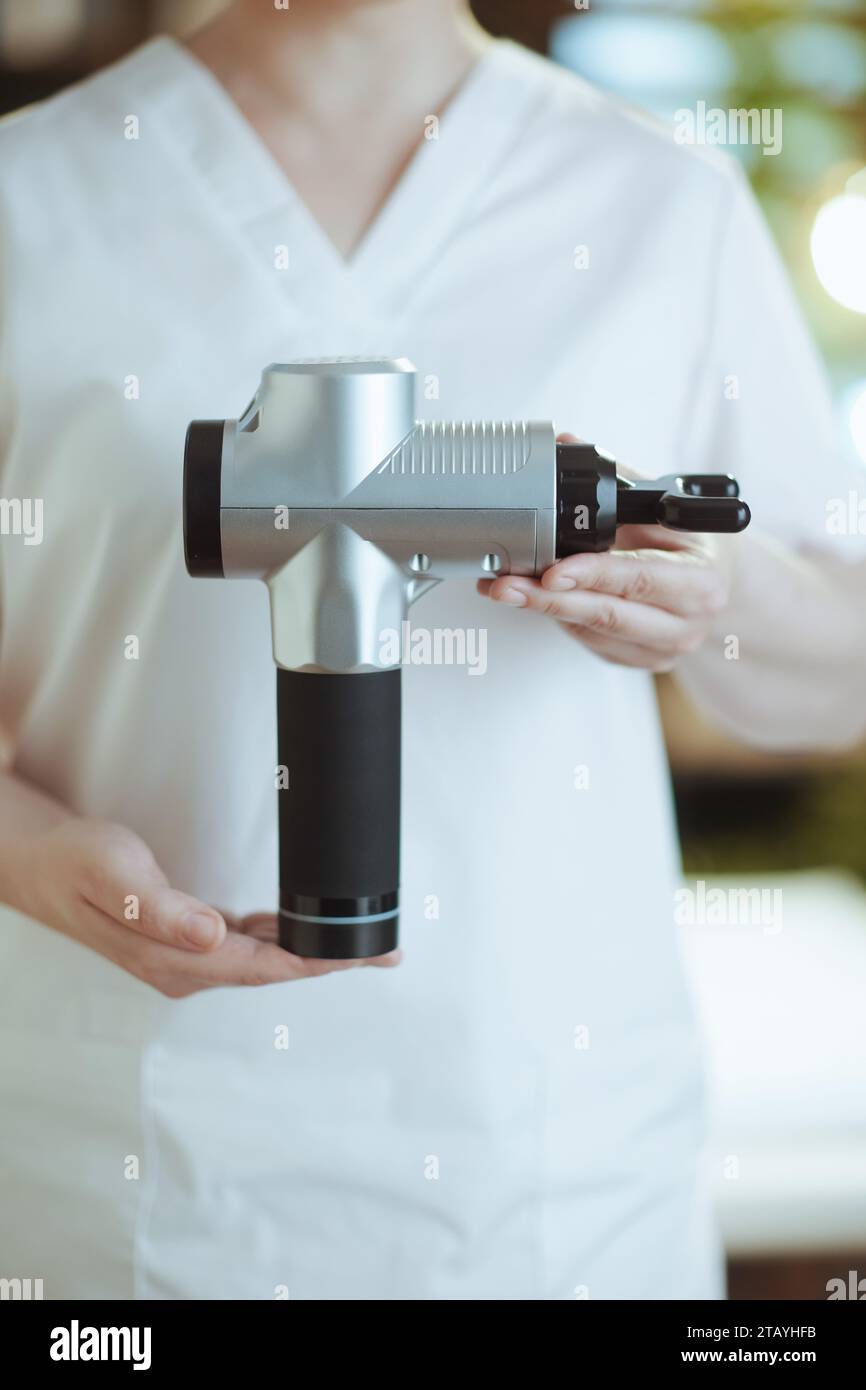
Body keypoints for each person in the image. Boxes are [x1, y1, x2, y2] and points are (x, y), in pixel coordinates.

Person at [0, 0, 863, 1301]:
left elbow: (833, 674)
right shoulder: (30, 197)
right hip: (127, 1187)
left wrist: (717, 594)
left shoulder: (659, 202)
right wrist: (30, 858)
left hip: (555, 1185)